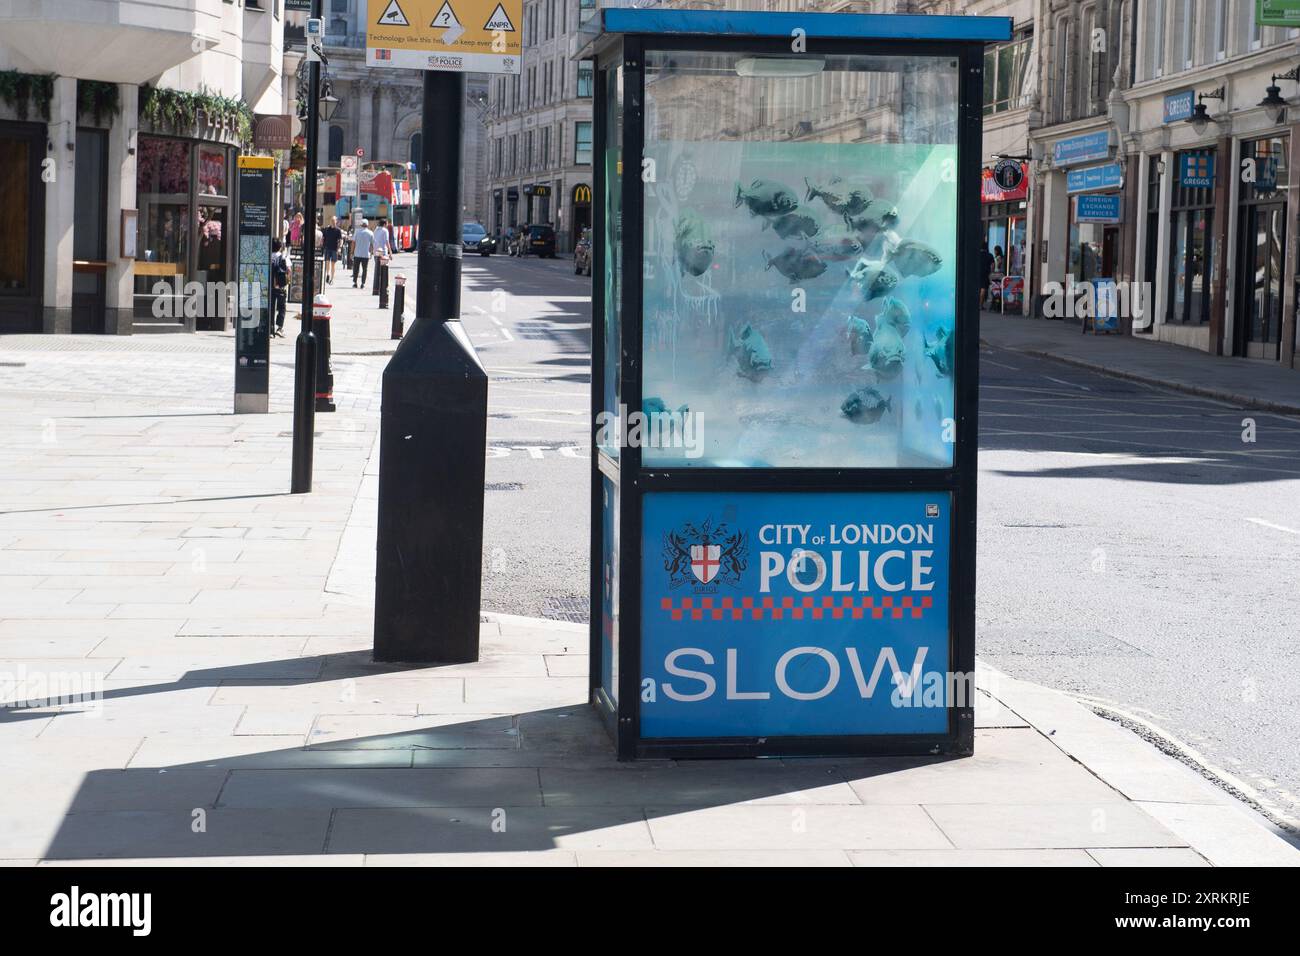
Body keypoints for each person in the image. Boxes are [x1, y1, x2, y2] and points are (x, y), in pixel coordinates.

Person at [270, 238, 289, 338]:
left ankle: (270, 328)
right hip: (280, 286)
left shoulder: (268, 257)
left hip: (270, 287)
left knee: (271, 307)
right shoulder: (283, 257)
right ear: (280, 247)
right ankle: (279, 328)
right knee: (281, 308)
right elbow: (288, 270)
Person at [351, 219, 375, 288]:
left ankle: (355, 282)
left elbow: (353, 242)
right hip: (365, 254)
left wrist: (351, 252)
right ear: (367, 225)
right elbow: (372, 244)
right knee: (365, 269)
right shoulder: (370, 233)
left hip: (357, 253)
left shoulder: (357, 232)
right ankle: (363, 283)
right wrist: (371, 253)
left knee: (356, 269)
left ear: (361, 225)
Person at [321, 216, 343, 285]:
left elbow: (341, 240)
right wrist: (322, 244)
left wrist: (340, 247)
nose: (333, 222)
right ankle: (328, 274)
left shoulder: (338, 230)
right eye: (332, 220)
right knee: (327, 262)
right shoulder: (327, 229)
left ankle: (332, 279)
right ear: (330, 221)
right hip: (327, 248)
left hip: (334, 249)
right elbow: (323, 237)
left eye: (334, 220)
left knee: (333, 264)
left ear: (336, 221)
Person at [978, 242, 994, 310]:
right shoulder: (989, 255)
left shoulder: (977, 255)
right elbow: (993, 265)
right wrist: (991, 272)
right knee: (983, 288)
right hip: (985, 273)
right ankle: (980, 305)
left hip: (977, 273)